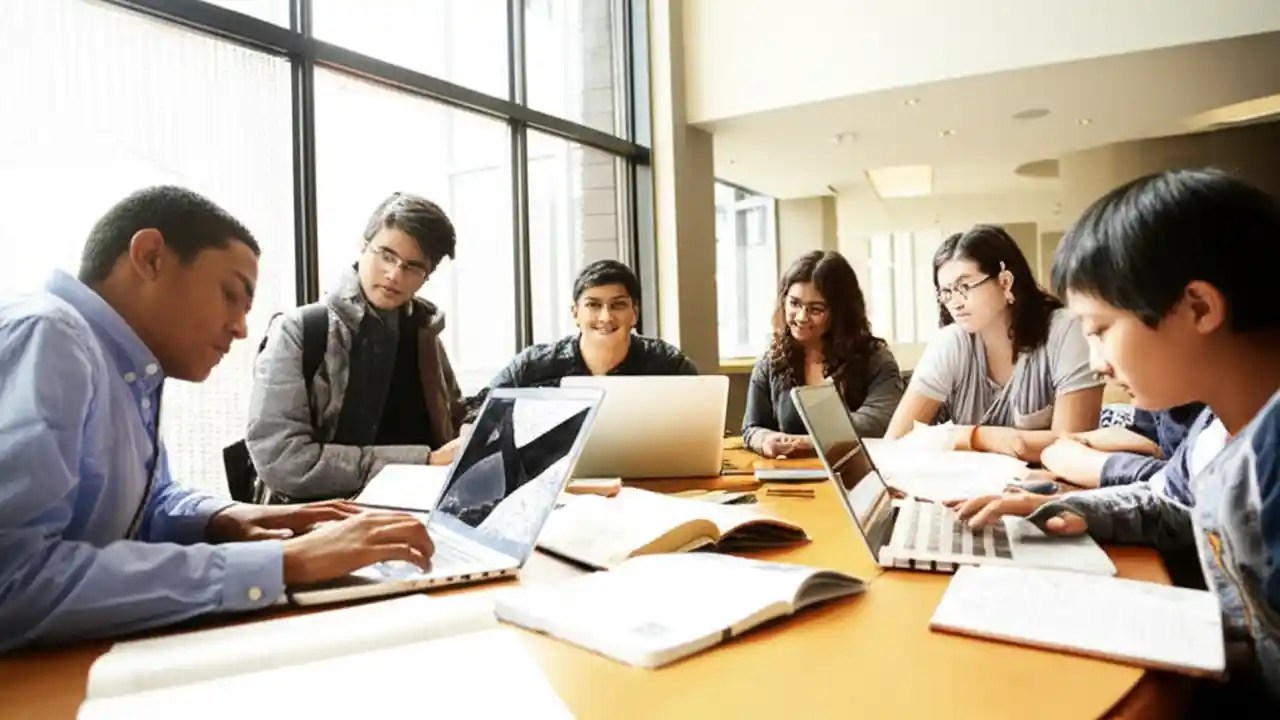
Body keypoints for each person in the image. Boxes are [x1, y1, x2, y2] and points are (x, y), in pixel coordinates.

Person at [0, 187, 432, 651]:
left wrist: (225, 517)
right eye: (231, 295)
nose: (242, 327)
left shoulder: (126, 371)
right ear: (150, 257)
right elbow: (12, 579)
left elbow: (146, 504)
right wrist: (282, 561)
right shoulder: (50, 336)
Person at [951, 169, 1280, 705]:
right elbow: (1167, 503)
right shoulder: (1214, 432)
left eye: (1100, 330)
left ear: (1199, 308)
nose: (1097, 363)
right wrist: (1073, 508)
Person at [247, 192, 468, 503]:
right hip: (321, 528)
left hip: (418, 519)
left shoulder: (424, 335)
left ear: (426, 276)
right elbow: (282, 460)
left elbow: (454, 420)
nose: (394, 275)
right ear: (364, 246)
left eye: (413, 267)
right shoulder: (299, 330)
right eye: (387, 256)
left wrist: (473, 430)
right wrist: (423, 461)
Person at [884, 225, 1104, 461]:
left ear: (1005, 282)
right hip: (968, 490)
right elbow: (895, 443)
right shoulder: (951, 342)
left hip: (1051, 489)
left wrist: (972, 437)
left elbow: (1074, 447)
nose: (955, 303)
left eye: (964, 286)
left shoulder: (1065, 330)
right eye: (946, 292)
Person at [743, 250, 904, 459]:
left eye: (816, 310)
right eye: (794, 304)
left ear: (840, 313)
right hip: (789, 476)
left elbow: (880, 421)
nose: (801, 317)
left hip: (854, 476)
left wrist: (812, 442)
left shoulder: (875, 358)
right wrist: (765, 440)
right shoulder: (773, 359)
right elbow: (752, 427)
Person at [483, 259, 697, 389]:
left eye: (618, 305)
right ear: (575, 313)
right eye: (593, 305)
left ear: (634, 314)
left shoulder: (669, 365)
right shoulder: (533, 365)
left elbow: (703, 422)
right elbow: (478, 408)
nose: (605, 317)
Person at [1039, 402, 1205, 490]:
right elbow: (1152, 442)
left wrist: (1102, 466)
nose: (1098, 366)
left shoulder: (1217, 422)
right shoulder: (1158, 396)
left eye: (1100, 336)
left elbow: (1184, 488)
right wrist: (1083, 441)